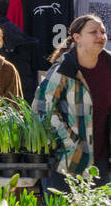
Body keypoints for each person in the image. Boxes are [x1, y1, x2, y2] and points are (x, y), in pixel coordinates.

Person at [33, 13, 111, 183]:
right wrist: (69, 141)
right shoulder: (63, 69)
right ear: (77, 37)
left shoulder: (108, 64)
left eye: (103, 31)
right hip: (66, 162)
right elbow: (41, 109)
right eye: (93, 32)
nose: (100, 36)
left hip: (103, 161)